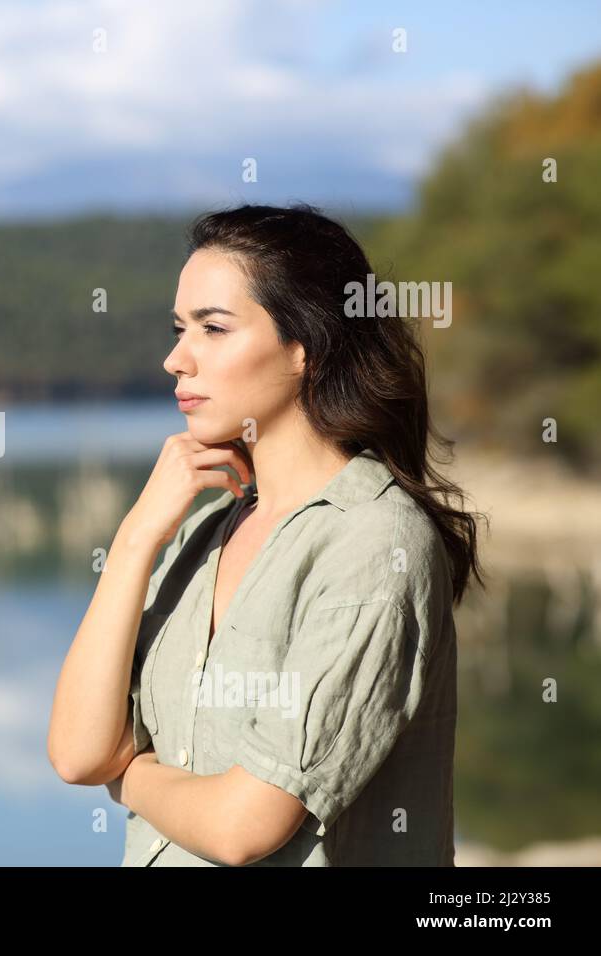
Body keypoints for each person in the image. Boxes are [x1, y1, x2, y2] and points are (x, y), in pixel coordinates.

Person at [47, 203, 485, 866]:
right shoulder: (203, 526)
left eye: (213, 329)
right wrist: (136, 539)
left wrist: (129, 775)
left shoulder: (375, 545)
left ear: (303, 349)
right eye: (178, 329)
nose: (175, 360)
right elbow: (78, 751)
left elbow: (242, 826)